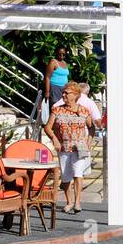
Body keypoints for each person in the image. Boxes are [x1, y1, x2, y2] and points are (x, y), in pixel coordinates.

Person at [44, 82, 94, 214]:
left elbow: (91, 127)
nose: (64, 94)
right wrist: (54, 139)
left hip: (80, 148)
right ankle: (69, 202)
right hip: (64, 148)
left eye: (67, 93)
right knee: (66, 177)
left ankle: (77, 202)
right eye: (63, 92)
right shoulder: (57, 109)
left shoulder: (84, 110)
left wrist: (89, 141)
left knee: (78, 174)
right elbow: (47, 127)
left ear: (76, 95)